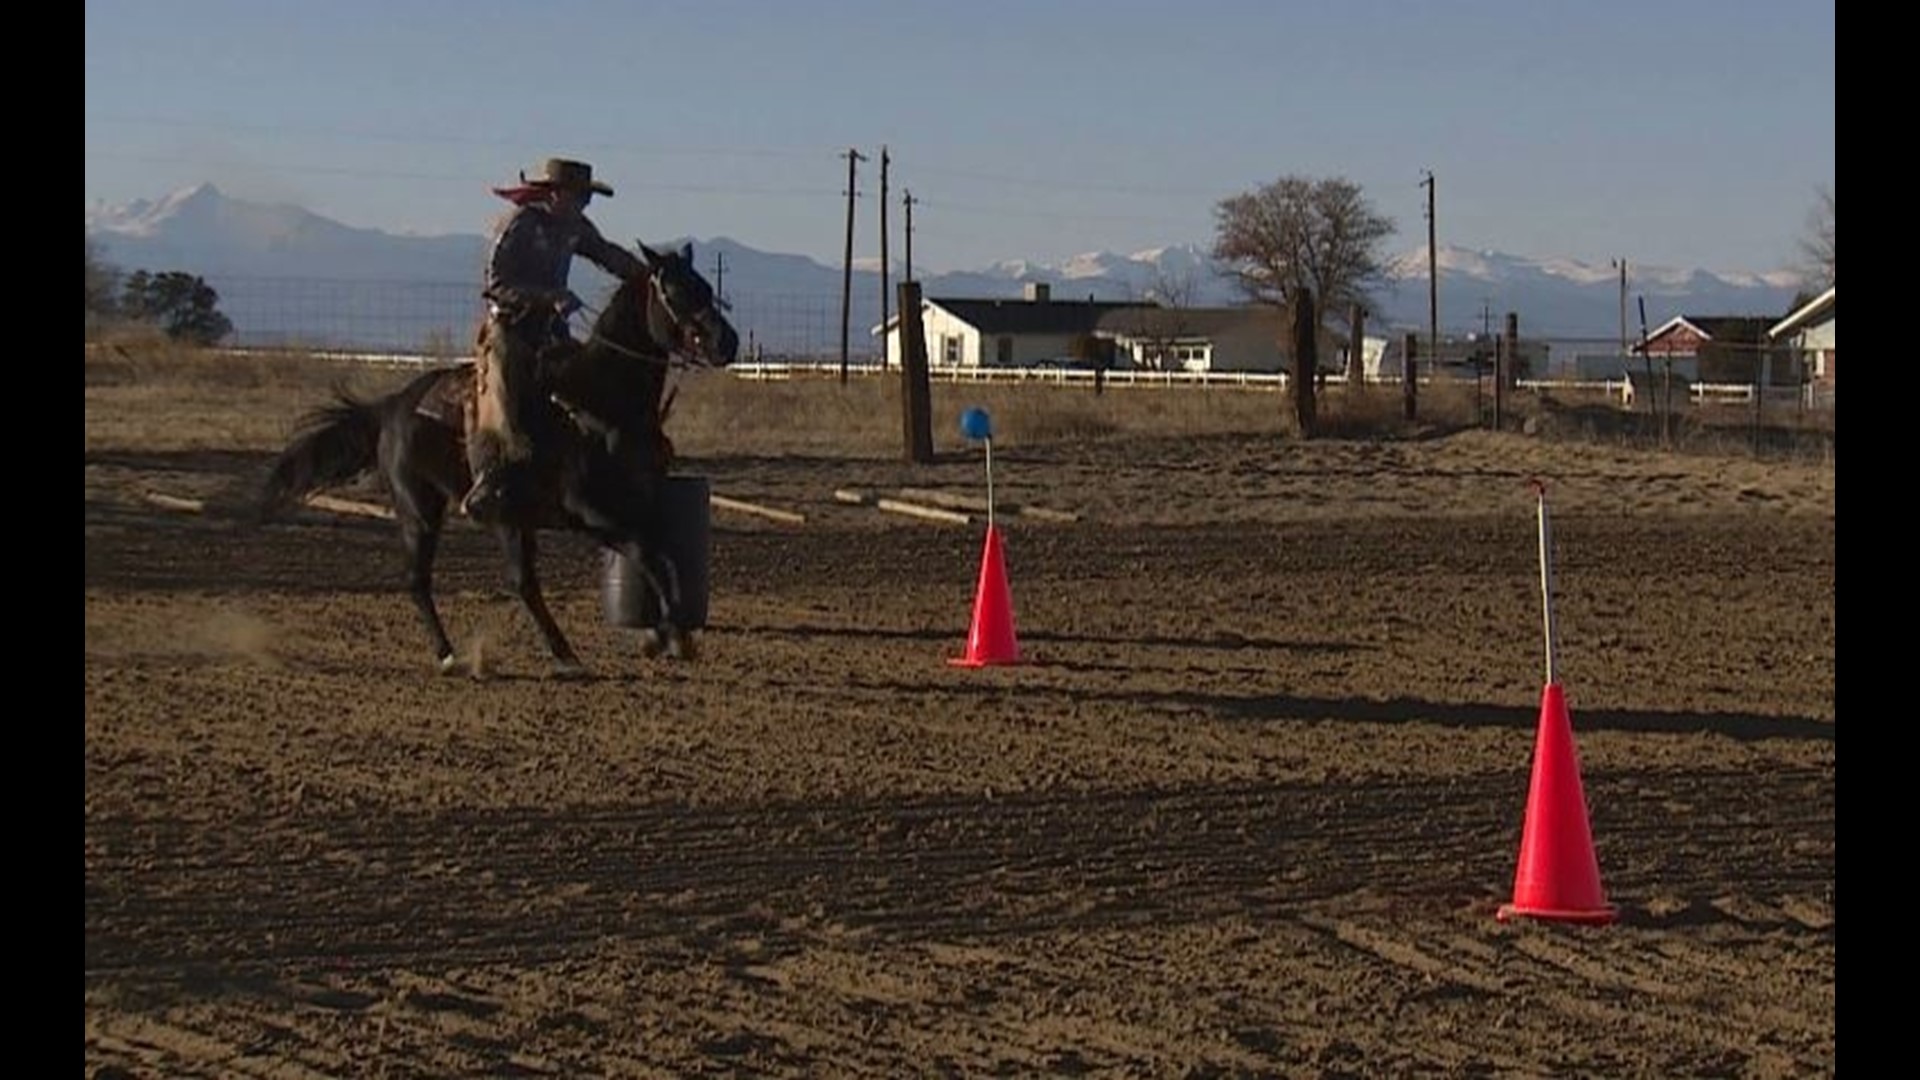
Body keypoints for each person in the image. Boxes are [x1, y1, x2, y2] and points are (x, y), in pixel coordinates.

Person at [463, 157, 649, 520]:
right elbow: (496, 284)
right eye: (579, 197)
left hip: (550, 329)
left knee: (588, 383)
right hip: (510, 327)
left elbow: (608, 255)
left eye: (586, 199)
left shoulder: (574, 228)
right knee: (506, 388)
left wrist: (648, 276)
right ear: (555, 193)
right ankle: (488, 475)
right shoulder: (519, 224)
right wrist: (550, 297)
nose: (583, 205)